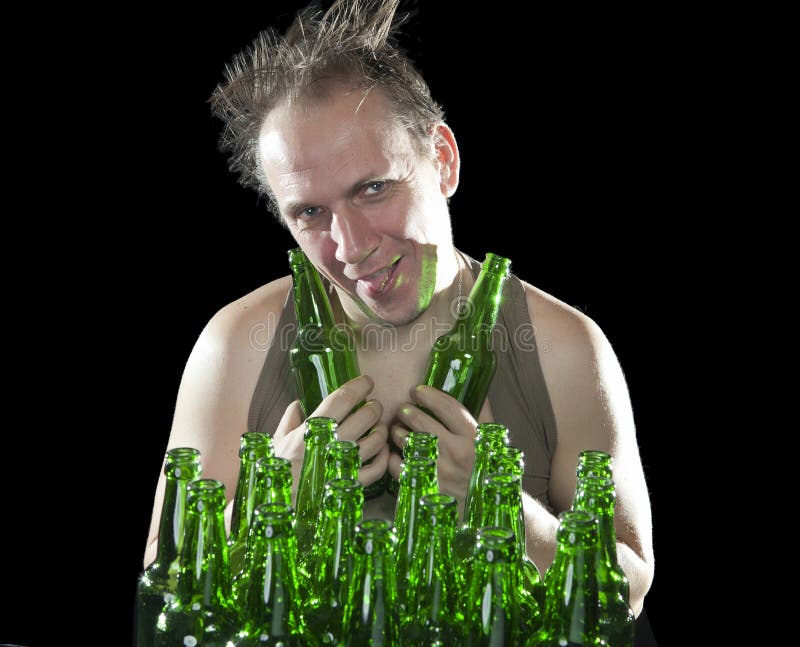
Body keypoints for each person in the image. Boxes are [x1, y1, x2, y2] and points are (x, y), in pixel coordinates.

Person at [143, 0, 654, 620]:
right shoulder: (233, 343)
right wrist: (266, 501)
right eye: (310, 213)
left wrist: (500, 507)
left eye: (373, 189)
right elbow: (162, 579)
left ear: (443, 159)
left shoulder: (566, 346)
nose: (350, 247)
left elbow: (628, 588)